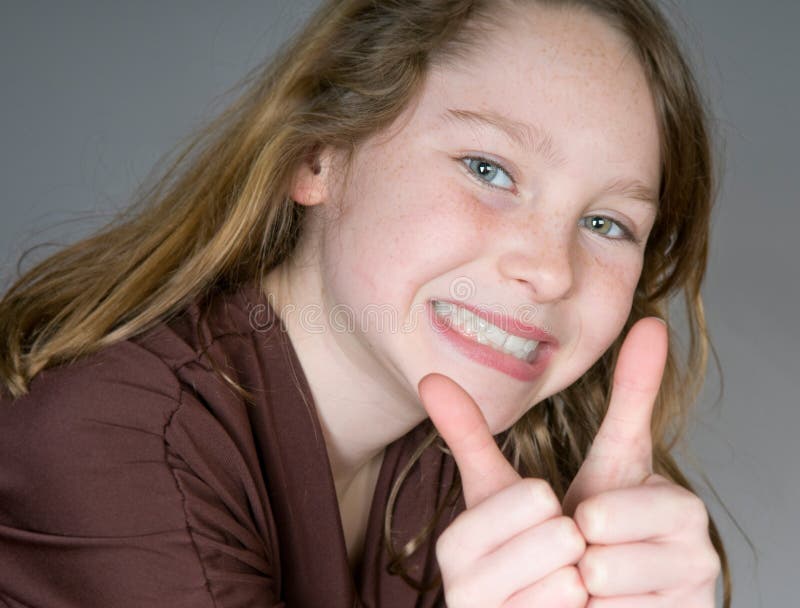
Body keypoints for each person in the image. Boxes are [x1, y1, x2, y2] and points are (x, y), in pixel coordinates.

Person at [0, 0, 729, 606]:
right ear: (317, 152)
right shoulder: (109, 443)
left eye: (606, 224)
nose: (549, 271)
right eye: (488, 169)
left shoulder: (525, 483)